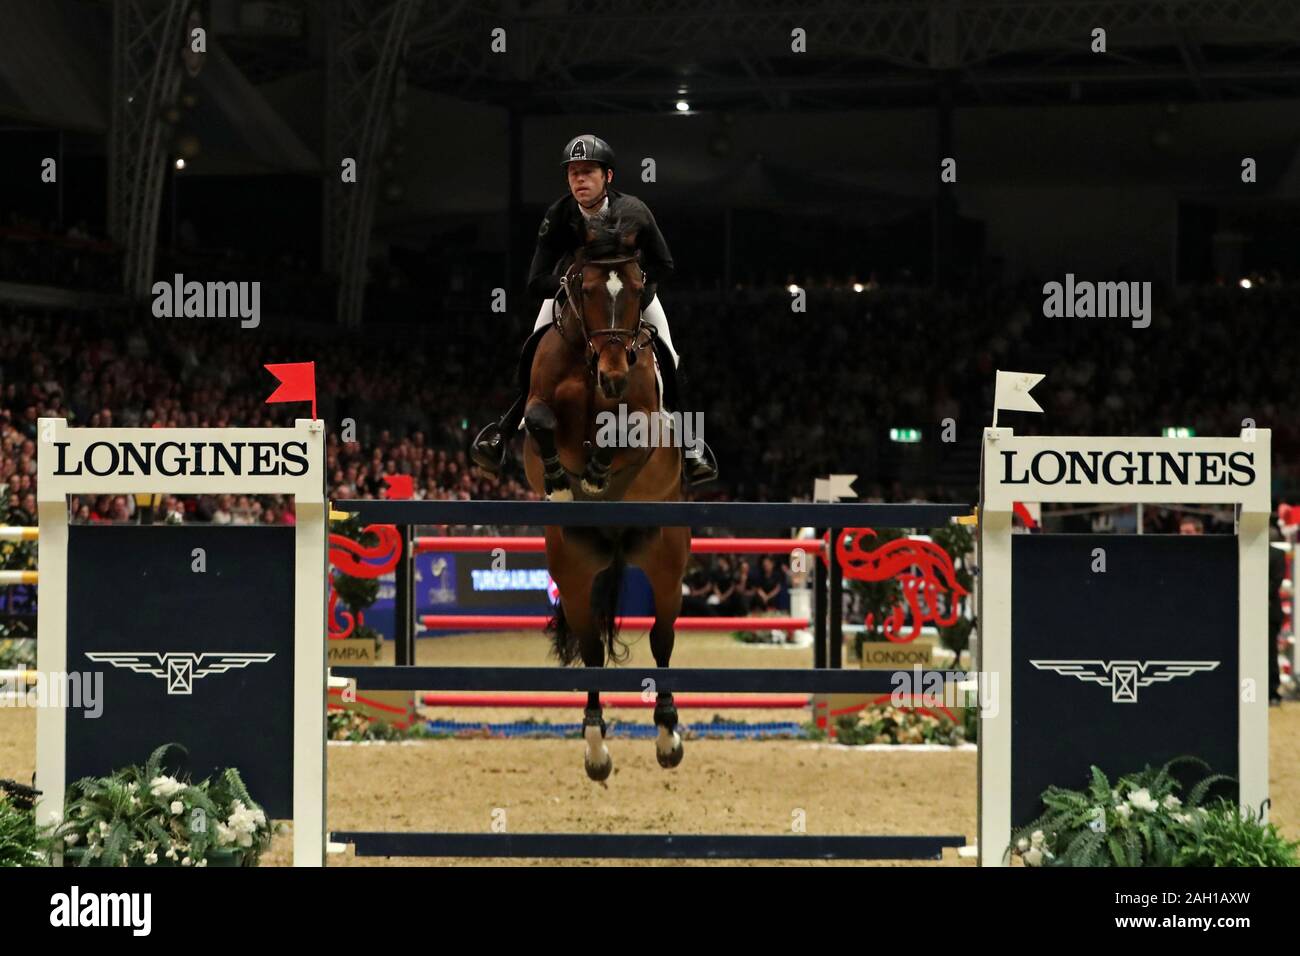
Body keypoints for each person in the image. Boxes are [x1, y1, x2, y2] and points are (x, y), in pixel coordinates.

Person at [471, 134, 717, 484]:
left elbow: (665, 264)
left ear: (608, 177)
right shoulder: (559, 216)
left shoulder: (634, 210)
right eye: (573, 173)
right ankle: (505, 430)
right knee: (533, 347)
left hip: (629, 297)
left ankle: (691, 446)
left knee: (670, 356)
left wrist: (635, 291)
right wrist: (571, 287)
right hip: (576, 297)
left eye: (588, 172)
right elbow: (535, 280)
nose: (579, 180)